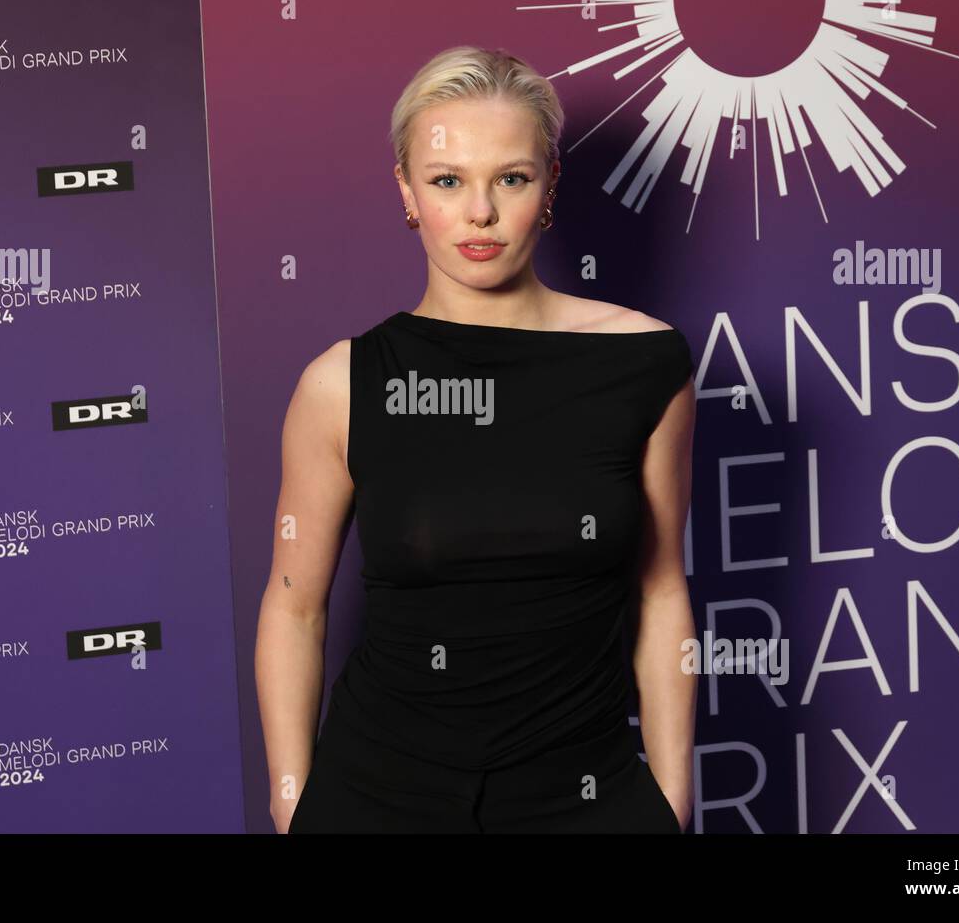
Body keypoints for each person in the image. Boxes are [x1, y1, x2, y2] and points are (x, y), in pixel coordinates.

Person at [255, 45, 697, 833]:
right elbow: (294, 610)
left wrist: (670, 797)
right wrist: (291, 804)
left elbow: (661, 591)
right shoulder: (343, 384)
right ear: (407, 191)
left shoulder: (643, 360)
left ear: (549, 185)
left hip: (585, 795)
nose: (480, 213)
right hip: (378, 799)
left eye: (512, 178)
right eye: (447, 180)